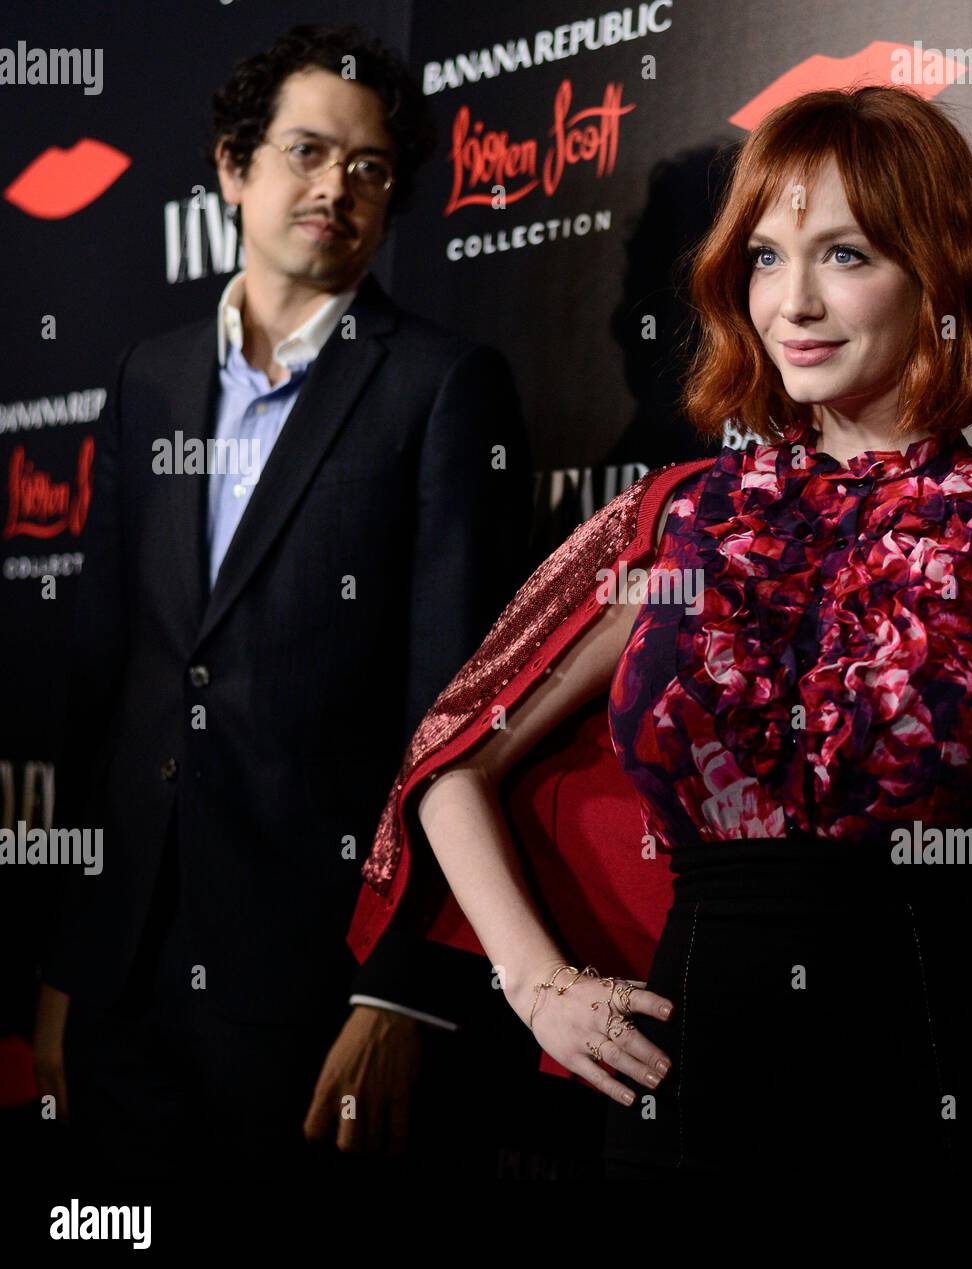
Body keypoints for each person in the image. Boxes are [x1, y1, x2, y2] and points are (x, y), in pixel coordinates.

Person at [348, 84, 972, 1180]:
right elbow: (453, 761)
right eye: (764, 257)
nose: (793, 301)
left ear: (940, 276)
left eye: (845, 255)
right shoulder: (677, 523)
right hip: (684, 1104)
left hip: (956, 1105)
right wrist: (537, 987)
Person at [33, 24, 534, 1179]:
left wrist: (403, 995)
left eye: (369, 167)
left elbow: (451, 713)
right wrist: (63, 964)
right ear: (232, 168)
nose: (336, 187)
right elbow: (105, 680)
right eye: (308, 151)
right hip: (122, 979)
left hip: (313, 988)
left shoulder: (445, 387)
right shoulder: (146, 377)